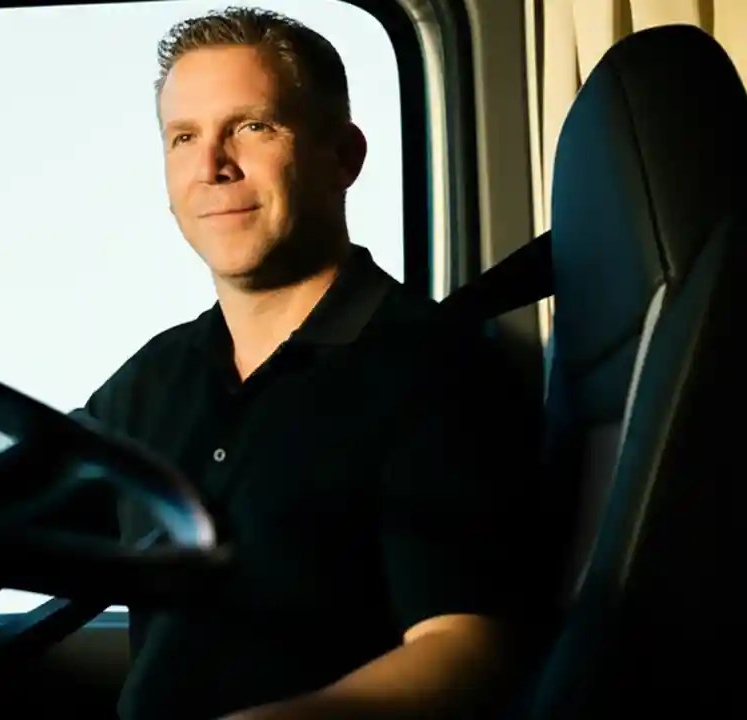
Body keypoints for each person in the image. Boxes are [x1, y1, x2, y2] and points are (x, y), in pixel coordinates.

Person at [72, 7, 549, 720]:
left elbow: (466, 648)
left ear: (343, 157)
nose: (212, 166)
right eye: (184, 137)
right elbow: (10, 513)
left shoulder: (435, 370)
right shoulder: (153, 378)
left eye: (252, 127)